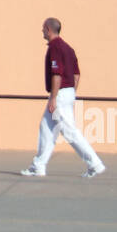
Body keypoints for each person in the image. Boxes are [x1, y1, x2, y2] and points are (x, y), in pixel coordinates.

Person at [21, 17, 105, 178]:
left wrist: (54, 98)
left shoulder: (55, 48)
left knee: (69, 131)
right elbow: (76, 75)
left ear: (48, 29)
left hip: (59, 94)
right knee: (46, 128)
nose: (41, 32)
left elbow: (57, 74)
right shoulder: (68, 48)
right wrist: (70, 93)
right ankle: (38, 166)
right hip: (67, 92)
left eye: (42, 29)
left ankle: (95, 163)